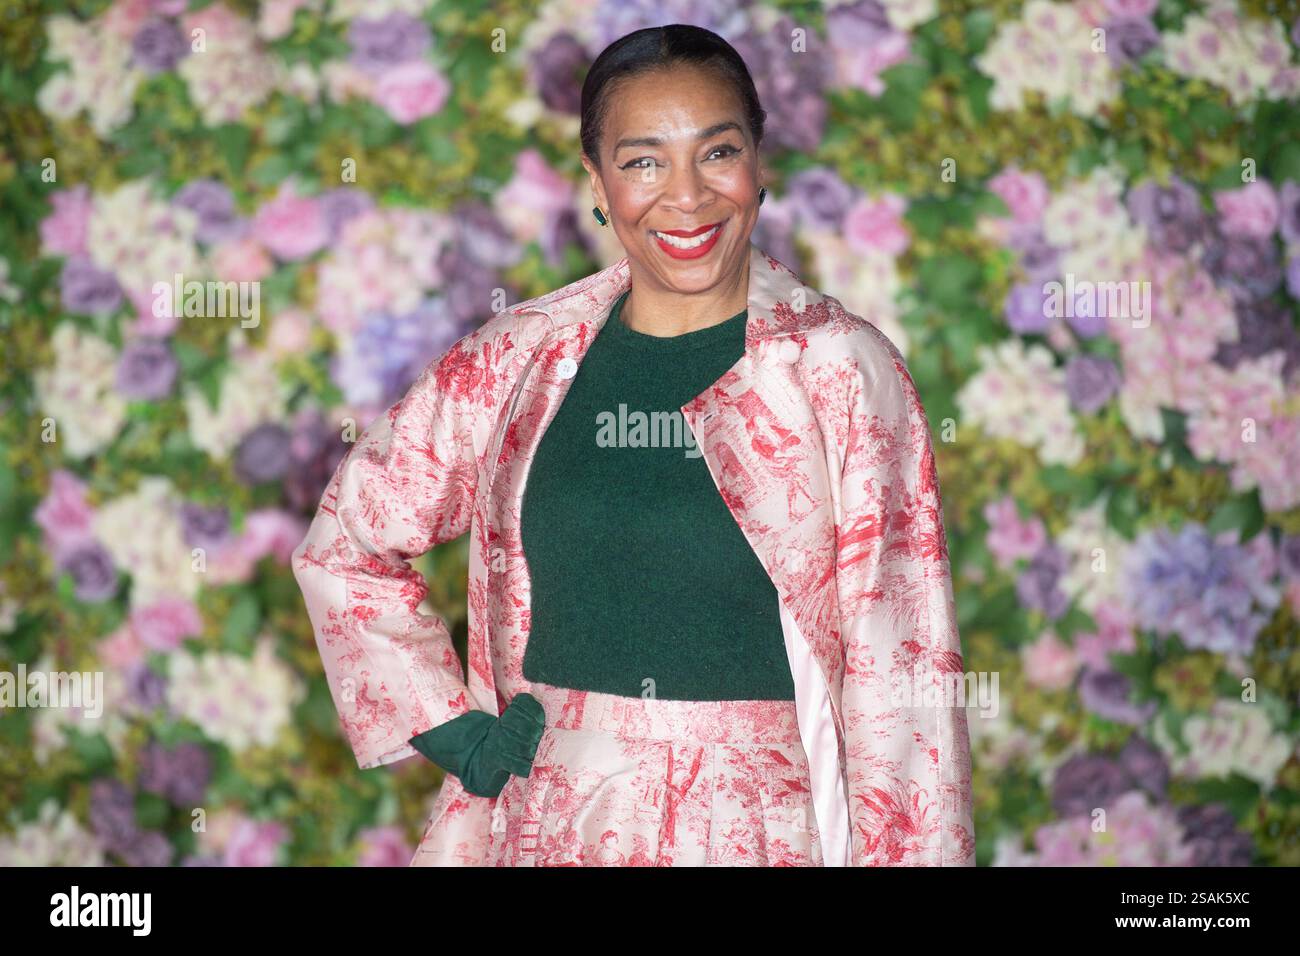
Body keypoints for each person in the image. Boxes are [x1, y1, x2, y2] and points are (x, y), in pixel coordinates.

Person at [292, 23, 975, 867]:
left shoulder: (838, 368)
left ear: (760, 166)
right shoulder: (522, 355)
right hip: (552, 823)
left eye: (717, 153)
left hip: (758, 833)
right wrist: (449, 725)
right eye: (644, 161)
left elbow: (906, 681)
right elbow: (348, 542)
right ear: (598, 183)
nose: (685, 196)